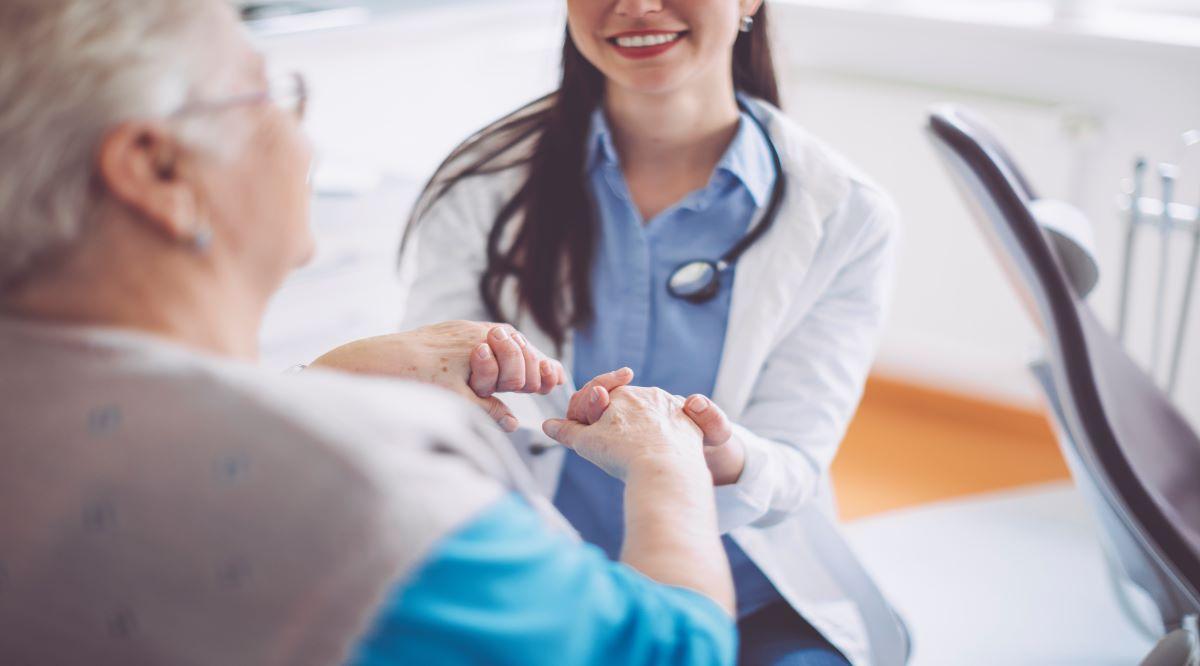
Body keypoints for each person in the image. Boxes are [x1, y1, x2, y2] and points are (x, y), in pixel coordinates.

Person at [0, 1, 739, 663]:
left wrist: (323, 382)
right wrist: (668, 465)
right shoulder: (373, 491)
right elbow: (678, 653)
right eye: (270, 93)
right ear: (156, 168)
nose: (301, 136)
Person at [399, 0, 910, 663]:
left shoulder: (847, 214)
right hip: (534, 587)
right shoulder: (482, 183)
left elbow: (795, 463)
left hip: (745, 601)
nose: (637, 7)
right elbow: (428, 410)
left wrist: (726, 459)